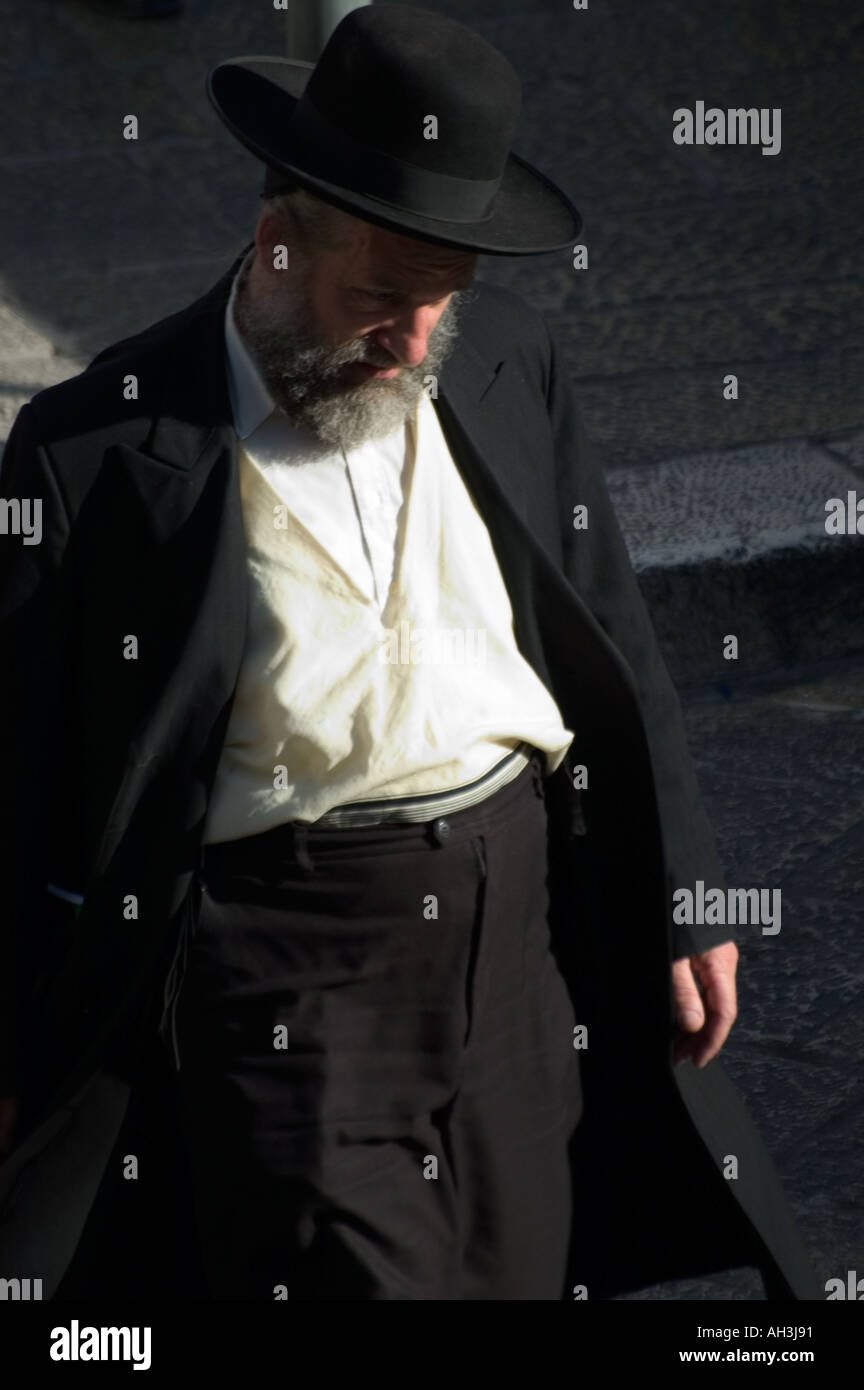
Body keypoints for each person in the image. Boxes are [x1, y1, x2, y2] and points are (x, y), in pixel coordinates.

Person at [0, 6, 819, 1300]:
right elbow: (22, 774)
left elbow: (609, 638)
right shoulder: (95, 450)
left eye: (446, 300)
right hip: (288, 972)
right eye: (382, 296)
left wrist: (682, 892)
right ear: (278, 243)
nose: (417, 343)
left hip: (521, 944)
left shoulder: (504, 362)